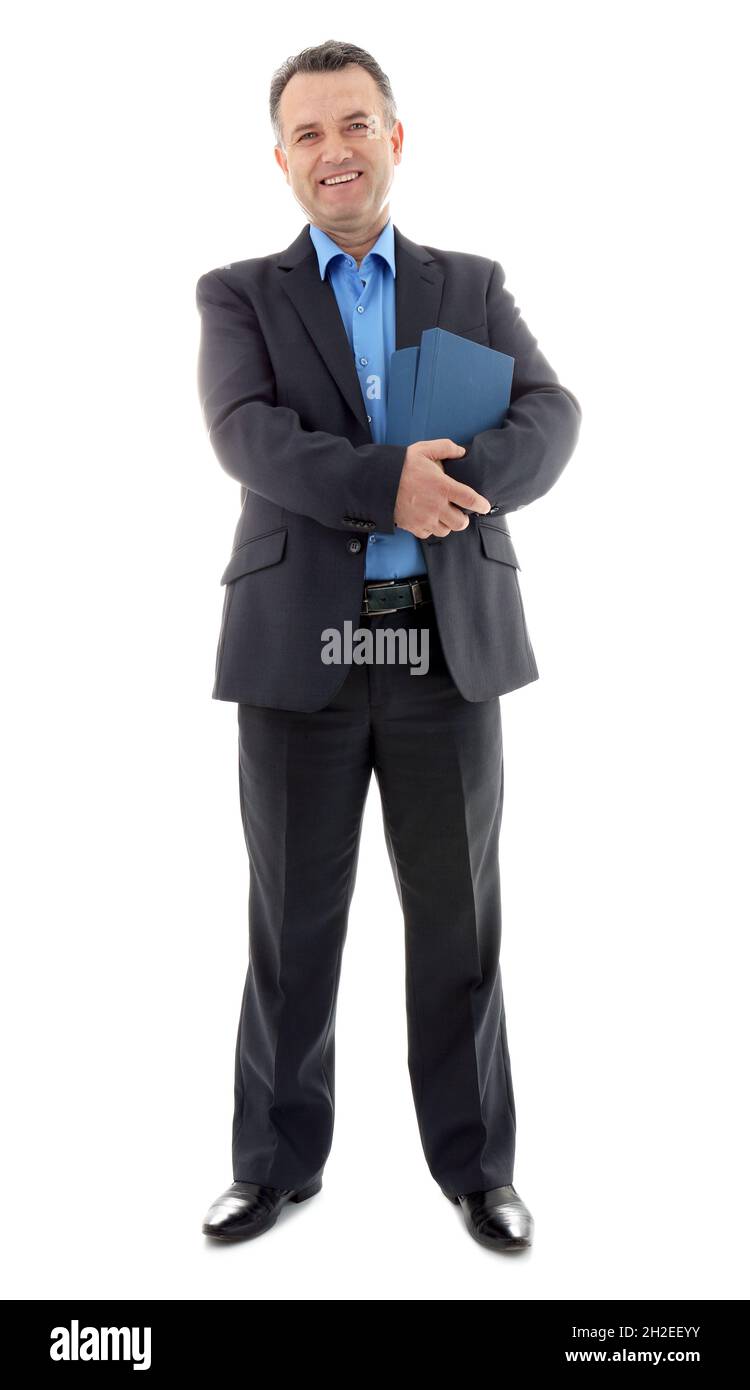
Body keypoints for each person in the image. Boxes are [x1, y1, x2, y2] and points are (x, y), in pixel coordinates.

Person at [194, 39, 581, 1252]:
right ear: (282, 159)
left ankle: (478, 1172)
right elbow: (245, 434)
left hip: (444, 651)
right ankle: (272, 1165)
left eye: (354, 124)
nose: (333, 151)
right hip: (297, 654)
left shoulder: (469, 284)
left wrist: (446, 490)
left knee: (460, 927)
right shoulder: (240, 293)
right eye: (307, 134)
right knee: (291, 922)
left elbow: (551, 415)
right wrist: (382, 484)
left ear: (395, 138)